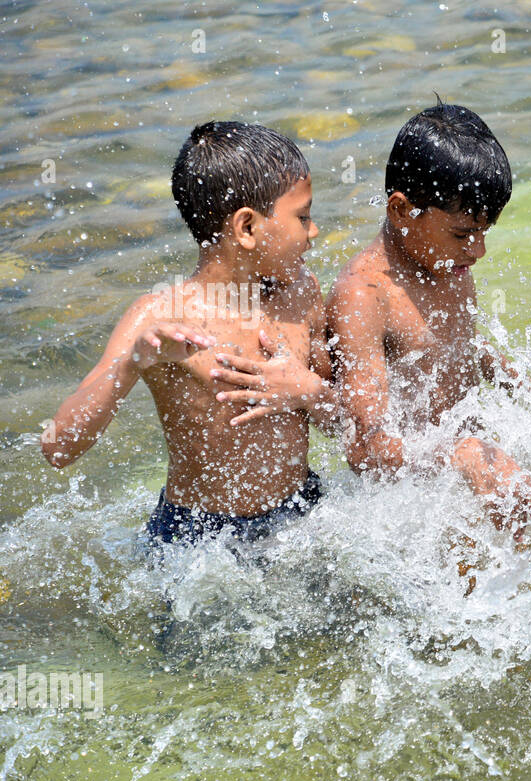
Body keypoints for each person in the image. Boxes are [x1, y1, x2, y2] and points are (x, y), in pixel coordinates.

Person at [41, 121, 342, 546]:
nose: (313, 232)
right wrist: (132, 365)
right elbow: (59, 448)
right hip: (199, 538)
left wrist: (308, 389)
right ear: (247, 228)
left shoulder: (301, 294)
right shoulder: (159, 317)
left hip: (302, 508)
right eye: (303, 217)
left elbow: (350, 426)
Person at [322, 103, 531, 543]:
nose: (479, 251)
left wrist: (508, 376)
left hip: (469, 467)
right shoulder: (364, 297)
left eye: (487, 232)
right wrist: (460, 457)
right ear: (402, 211)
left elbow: (447, 346)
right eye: (464, 233)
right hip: (413, 506)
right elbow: (368, 450)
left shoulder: (445, 260)